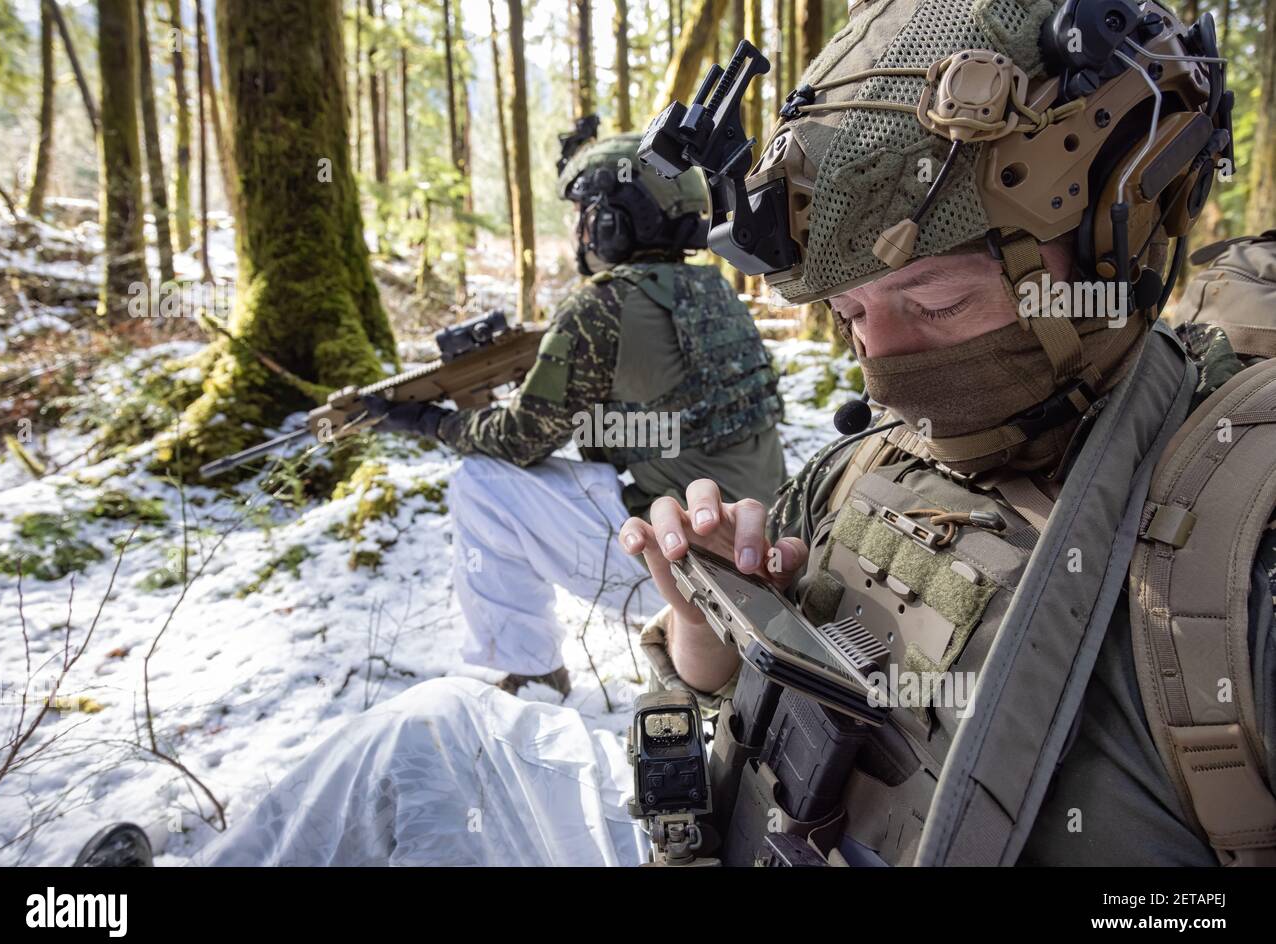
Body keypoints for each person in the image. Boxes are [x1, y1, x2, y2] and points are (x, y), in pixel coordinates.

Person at [77, 0, 1275, 868]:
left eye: (940, 302)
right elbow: (734, 744)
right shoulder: (859, 467)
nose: (888, 364)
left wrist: (437, 422)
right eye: (852, 317)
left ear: (1118, 239)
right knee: (426, 736)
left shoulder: (1236, 563)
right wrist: (712, 655)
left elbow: (520, 435)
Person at [368, 119, 786, 696]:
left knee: (480, 480)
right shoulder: (717, 291)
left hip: (676, 560)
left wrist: (436, 423)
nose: (581, 230)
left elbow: (522, 438)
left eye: (588, 214)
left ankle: (533, 671)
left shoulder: (600, 305)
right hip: (755, 546)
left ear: (614, 220)